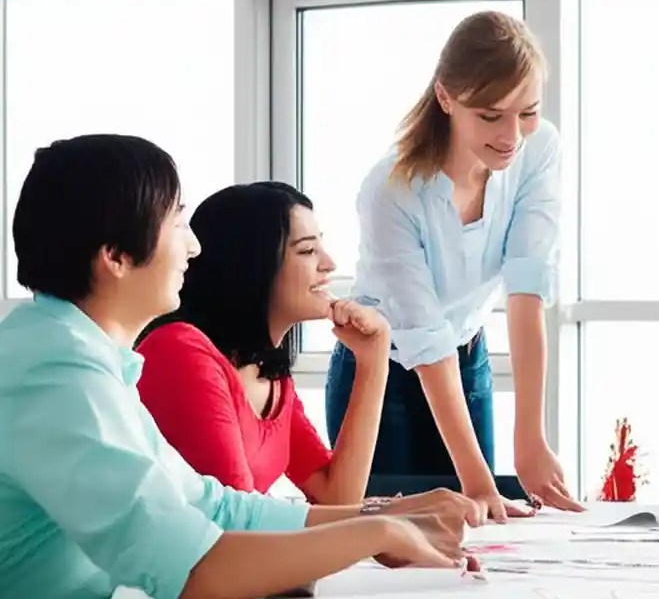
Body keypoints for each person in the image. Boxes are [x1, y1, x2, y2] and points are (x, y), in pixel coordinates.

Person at [0, 135, 478, 599]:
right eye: (177, 222)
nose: (194, 248)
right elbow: (191, 570)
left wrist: (380, 517)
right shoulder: (56, 370)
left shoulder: (84, 356)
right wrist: (377, 532)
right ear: (117, 257)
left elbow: (217, 507)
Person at [327, 10, 583, 520]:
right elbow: (424, 338)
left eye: (527, 112)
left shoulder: (539, 151)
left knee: (483, 532)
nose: (512, 135)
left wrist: (529, 436)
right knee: (390, 546)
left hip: (467, 361)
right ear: (446, 97)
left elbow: (526, 287)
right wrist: (478, 482)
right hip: (383, 373)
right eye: (491, 116)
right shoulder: (391, 189)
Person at [136, 182, 391, 505]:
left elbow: (336, 497)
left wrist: (373, 360)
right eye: (307, 251)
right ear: (252, 264)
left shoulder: (269, 371)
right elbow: (238, 522)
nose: (329, 264)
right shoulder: (180, 352)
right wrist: (383, 526)